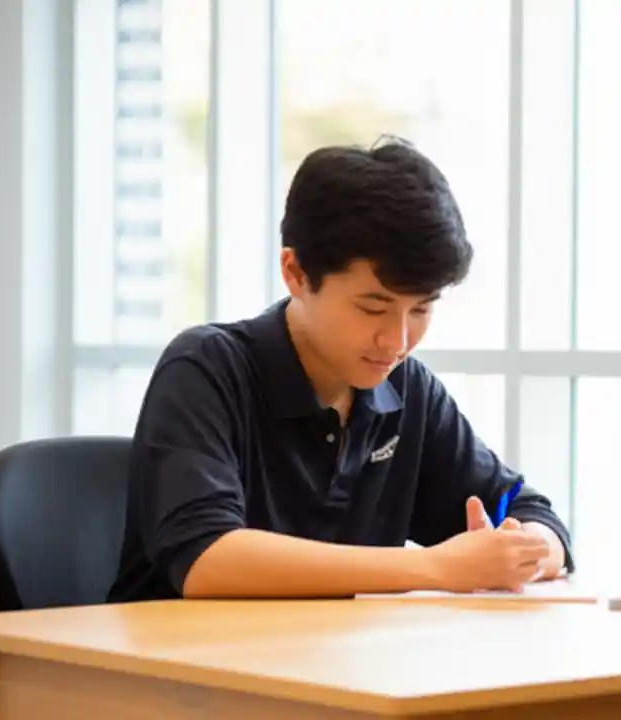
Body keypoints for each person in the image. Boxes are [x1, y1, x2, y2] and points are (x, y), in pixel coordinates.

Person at [109, 140, 571, 601]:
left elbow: (529, 511)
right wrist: (435, 566)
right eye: (373, 308)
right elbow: (205, 558)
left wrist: (521, 551)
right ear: (295, 272)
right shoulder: (207, 368)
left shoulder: (408, 390)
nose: (397, 342)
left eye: (421, 310)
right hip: (176, 665)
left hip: (337, 666)